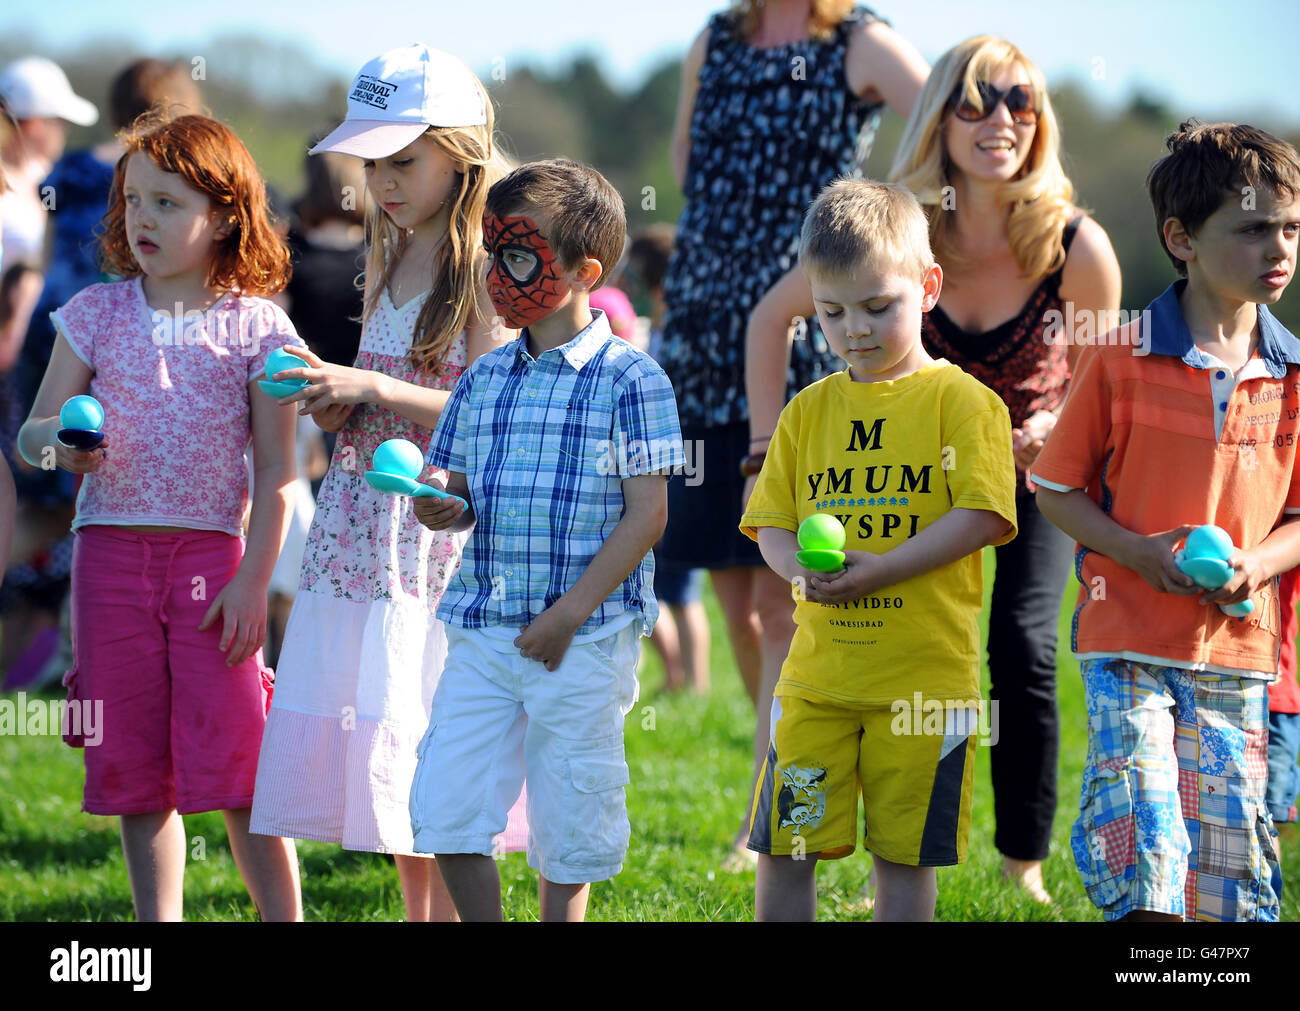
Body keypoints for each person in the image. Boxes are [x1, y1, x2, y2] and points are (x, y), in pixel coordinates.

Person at [748, 36, 1123, 902]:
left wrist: (1051, 428)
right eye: (978, 100)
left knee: (1022, 643)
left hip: (1030, 472)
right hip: (858, 558)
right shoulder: (886, 226)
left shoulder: (1078, 244)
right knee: (793, 838)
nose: (1001, 119)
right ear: (940, 116)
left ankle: (1023, 857)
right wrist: (768, 463)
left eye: (1020, 101)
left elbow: (1104, 383)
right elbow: (782, 320)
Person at [248, 44, 523, 923]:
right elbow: (387, 384)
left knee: (433, 739)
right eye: (374, 162)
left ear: (463, 154)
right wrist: (341, 400)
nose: (385, 179)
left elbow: (485, 408)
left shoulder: (481, 264)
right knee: (393, 752)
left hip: (433, 542)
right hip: (368, 536)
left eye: (405, 159)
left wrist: (371, 386)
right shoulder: (392, 246)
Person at [660, 0, 928, 864]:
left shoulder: (860, 42)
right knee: (735, 599)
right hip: (701, 333)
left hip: (810, 330)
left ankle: (770, 810)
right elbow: (682, 160)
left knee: (783, 600)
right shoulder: (717, 37)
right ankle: (784, 767)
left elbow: (938, 135)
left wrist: (875, 232)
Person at [16, 112, 303, 921]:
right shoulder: (97, 313)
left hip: (215, 568)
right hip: (107, 564)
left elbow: (280, 472)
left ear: (225, 218)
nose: (142, 218)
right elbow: (34, 431)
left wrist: (254, 582)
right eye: (133, 200)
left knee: (239, 764)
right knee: (138, 769)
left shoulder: (259, 327)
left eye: (168, 204)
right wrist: (58, 448)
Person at [1032, 120, 1300, 922]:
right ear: (1180, 238)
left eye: (1289, 228)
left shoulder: (1295, 377)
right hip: (1128, 644)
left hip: (1241, 654)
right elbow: (1054, 488)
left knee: (1224, 874)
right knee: (1153, 845)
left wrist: (1256, 564)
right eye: (1252, 230)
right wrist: (1136, 553)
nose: (1278, 248)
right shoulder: (1116, 359)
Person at [410, 158, 684, 921]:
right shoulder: (482, 378)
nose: (498, 272)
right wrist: (442, 505)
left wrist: (570, 612)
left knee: (572, 806)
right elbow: (461, 492)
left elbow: (647, 515)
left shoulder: (634, 381)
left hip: (586, 635)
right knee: (447, 797)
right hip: (485, 629)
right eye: (491, 252)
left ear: (584, 269)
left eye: (519, 254)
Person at [741, 179, 1017, 921]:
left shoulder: (964, 403)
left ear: (927, 288)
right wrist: (794, 563)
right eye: (830, 312)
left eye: (876, 306)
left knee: (904, 859)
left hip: (928, 694)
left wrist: (881, 571)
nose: (853, 328)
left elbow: (984, 516)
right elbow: (770, 522)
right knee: (786, 848)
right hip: (815, 690)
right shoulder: (808, 410)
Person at [626, 224, 710, 693]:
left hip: (679, 471)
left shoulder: (680, 332)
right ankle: (682, 680)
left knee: (678, 587)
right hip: (664, 466)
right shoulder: (659, 329)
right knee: (663, 585)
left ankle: (691, 684)